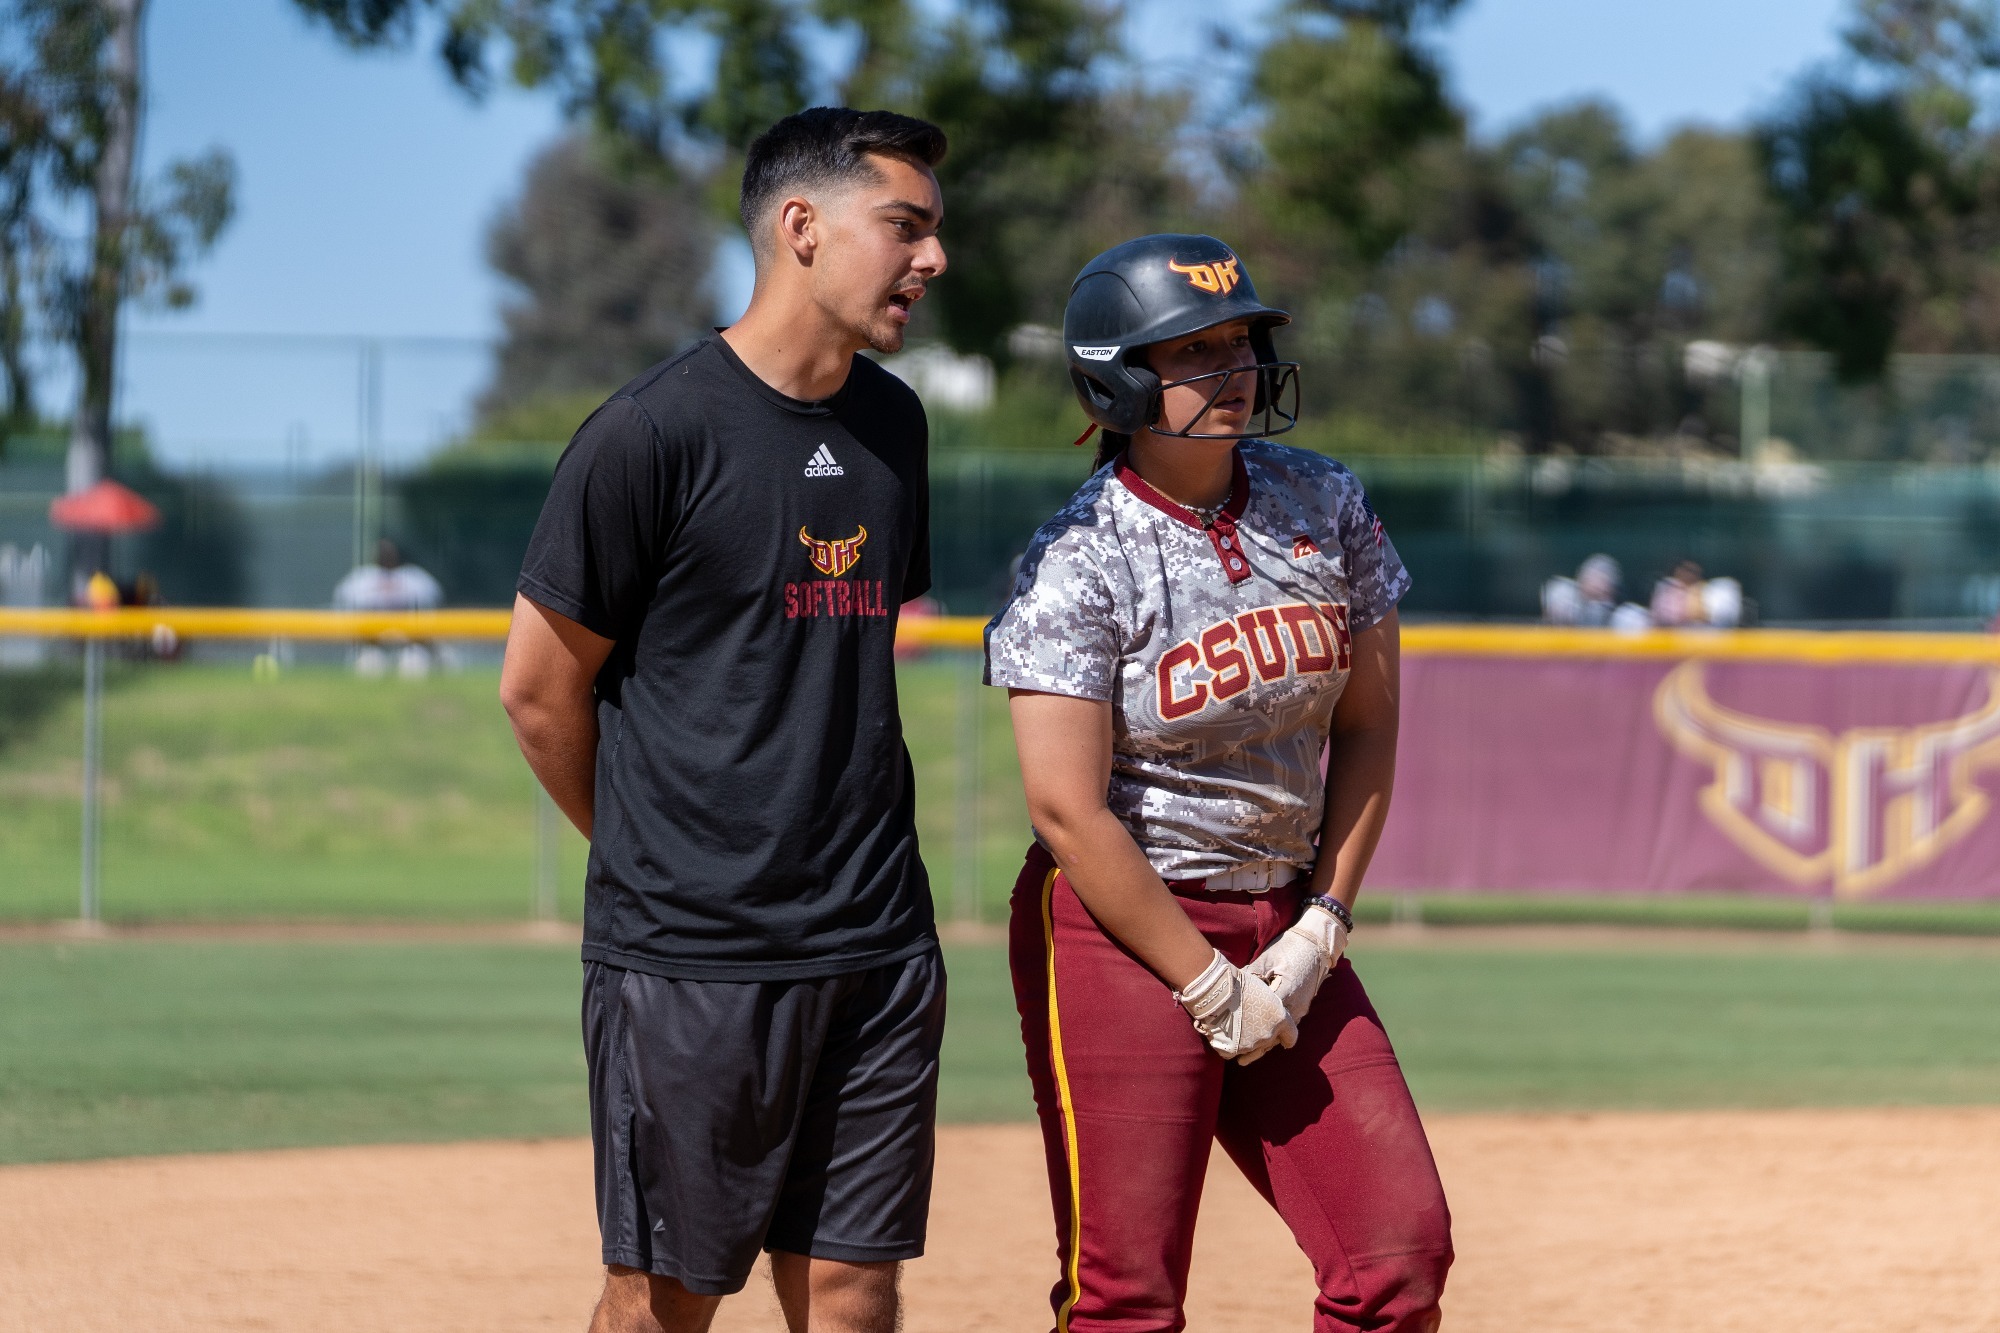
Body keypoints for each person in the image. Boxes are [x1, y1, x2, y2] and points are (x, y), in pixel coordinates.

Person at [499, 107, 949, 1333]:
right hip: (692, 955)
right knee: (666, 1295)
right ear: (799, 228)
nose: (932, 260)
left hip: (873, 938)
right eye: (903, 227)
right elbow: (539, 691)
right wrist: (654, 851)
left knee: (855, 1290)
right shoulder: (649, 434)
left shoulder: (894, 425)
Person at [985, 234, 1453, 1333]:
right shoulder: (1079, 555)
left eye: (1239, 341)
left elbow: (1371, 722)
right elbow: (1063, 805)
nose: (1233, 368)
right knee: (1127, 1297)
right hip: (1120, 931)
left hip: (1286, 919)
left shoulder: (1321, 499)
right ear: (1115, 377)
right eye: (1192, 349)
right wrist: (1201, 981)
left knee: (1396, 1254)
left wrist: (1320, 926)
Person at [332, 538, 446, 676]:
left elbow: (434, 602)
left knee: (414, 663)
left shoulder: (414, 577)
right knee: (369, 664)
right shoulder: (361, 578)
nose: (386, 555)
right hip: (372, 642)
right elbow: (343, 604)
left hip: (409, 641)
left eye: (389, 552)